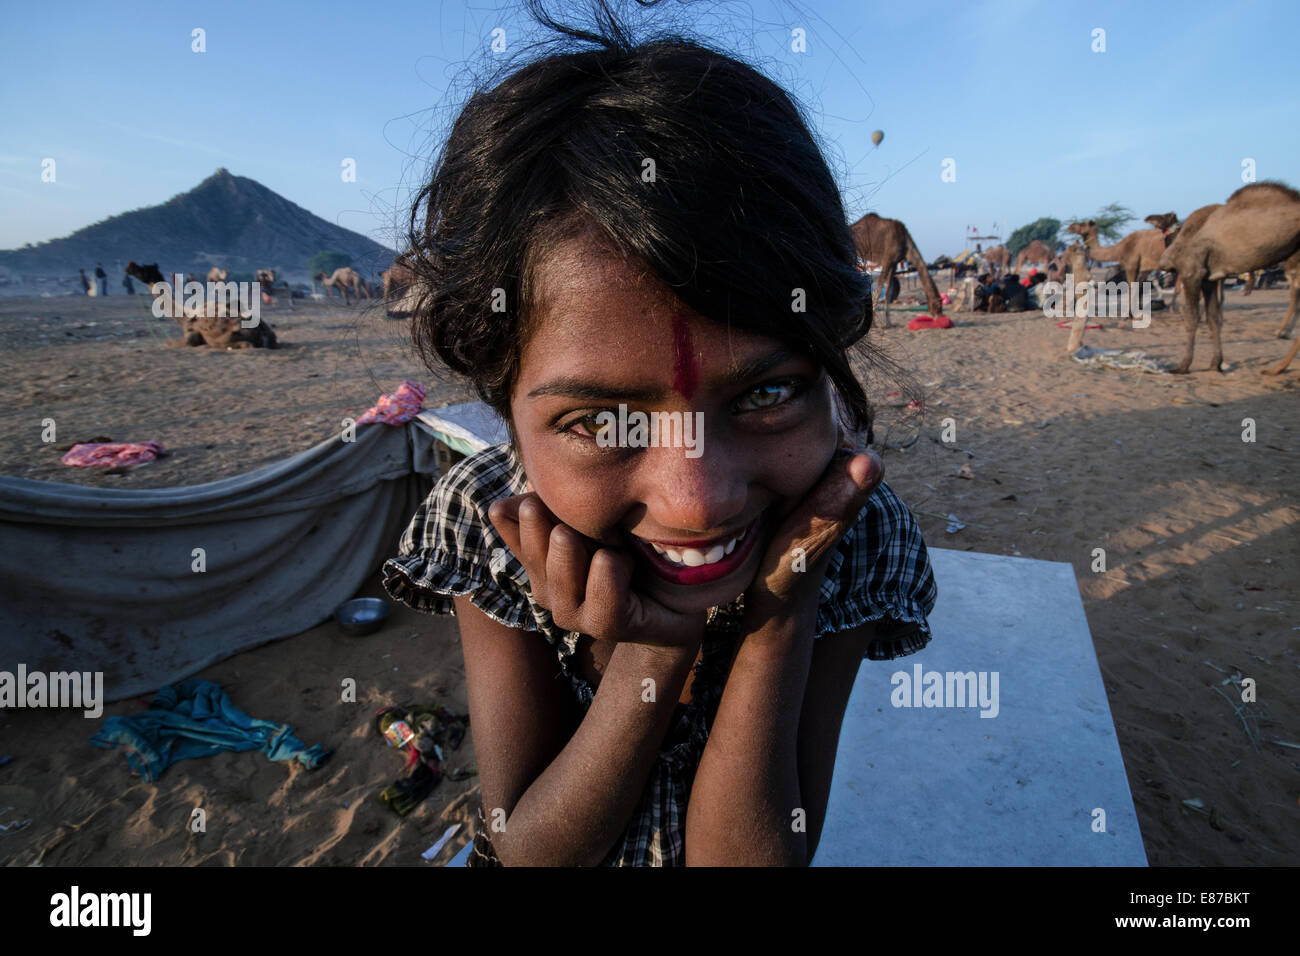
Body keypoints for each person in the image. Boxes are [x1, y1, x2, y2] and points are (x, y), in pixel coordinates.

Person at [381, 2, 937, 868]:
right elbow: (528, 850)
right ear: (505, 406)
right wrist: (656, 649)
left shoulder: (848, 533)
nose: (699, 498)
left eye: (769, 393)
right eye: (600, 421)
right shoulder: (485, 518)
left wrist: (779, 613)